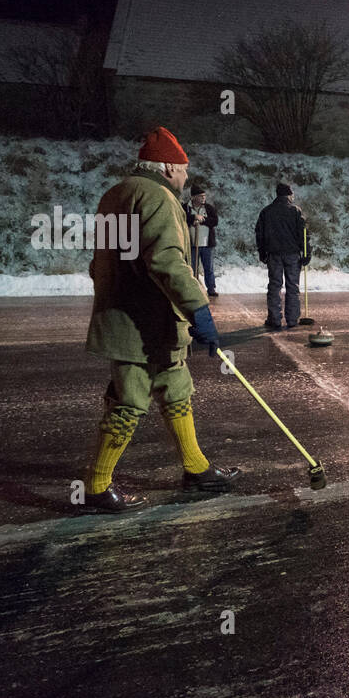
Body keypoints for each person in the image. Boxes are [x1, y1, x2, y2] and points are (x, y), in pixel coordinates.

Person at [79, 126, 239, 512]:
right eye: (183, 169)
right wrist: (198, 309)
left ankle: (196, 468)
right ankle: (97, 487)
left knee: (175, 385)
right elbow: (167, 261)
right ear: (168, 167)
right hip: (140, 321)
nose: (185, 178)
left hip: (142, 316)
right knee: (130, 399)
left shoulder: (116, 194)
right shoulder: (158, 197)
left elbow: (100, 261)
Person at [255, 182, 308, 329]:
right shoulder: (296, 211)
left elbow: (259, 234)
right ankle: (292, 320)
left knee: (274, 286)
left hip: (274, 254)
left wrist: (262, 252)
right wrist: (306, 253)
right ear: (289, 195)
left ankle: (275, 319)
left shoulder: (266, 212)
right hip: (292, 254)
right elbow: (304, 234)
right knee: (292, 287)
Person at [183, 184, 220, 298]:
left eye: (204, 196)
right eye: (200, 196)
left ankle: (211, 289)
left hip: (206, 244)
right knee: (192, 268)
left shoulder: (208, 208)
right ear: (193, 197)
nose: (203, 198)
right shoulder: (185, 207)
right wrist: (193, 218)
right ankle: (194, 289)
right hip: (192, 244)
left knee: (208, 268)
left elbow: (215, 221)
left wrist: (202, 219)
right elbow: (182, 218)